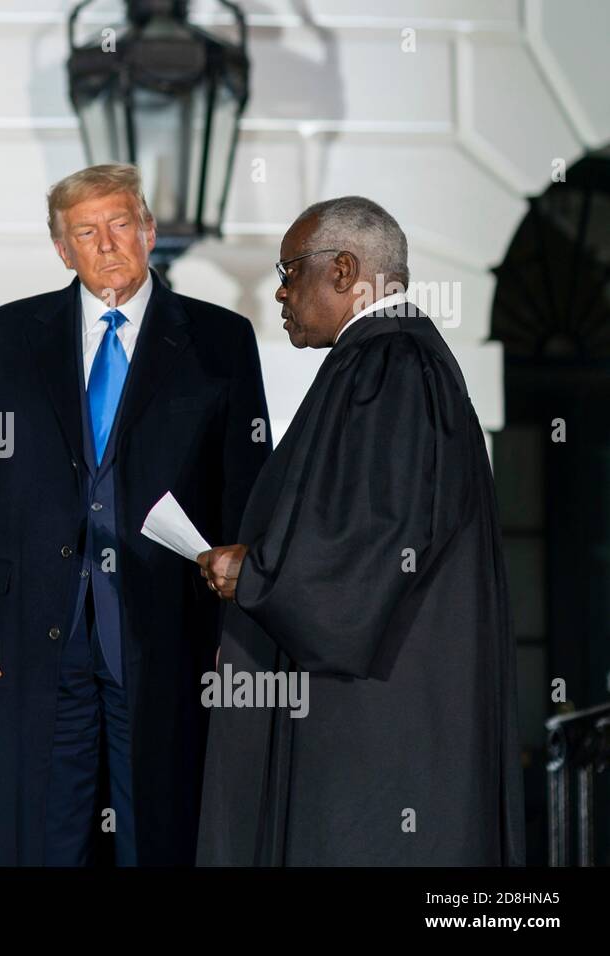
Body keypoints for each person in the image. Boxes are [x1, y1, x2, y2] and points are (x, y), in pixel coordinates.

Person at [0, 163, 271, 865]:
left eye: (121, 224)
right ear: (63, 250)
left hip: (168, 633)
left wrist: (237, 629)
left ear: (147, 231)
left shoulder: (219, 340)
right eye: (86, 232)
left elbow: (246, 490)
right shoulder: (7, 336)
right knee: (44, 836)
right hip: (34, 639)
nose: (108, 243)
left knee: (160, 830)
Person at [196, 196, 526, 866]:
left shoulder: (392, 366)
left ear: (344, 269)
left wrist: (255, 577)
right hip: (390, 708)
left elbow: (373, 546)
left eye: (290, 272)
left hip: (379, 725)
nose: (282, 293)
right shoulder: (391, 363)